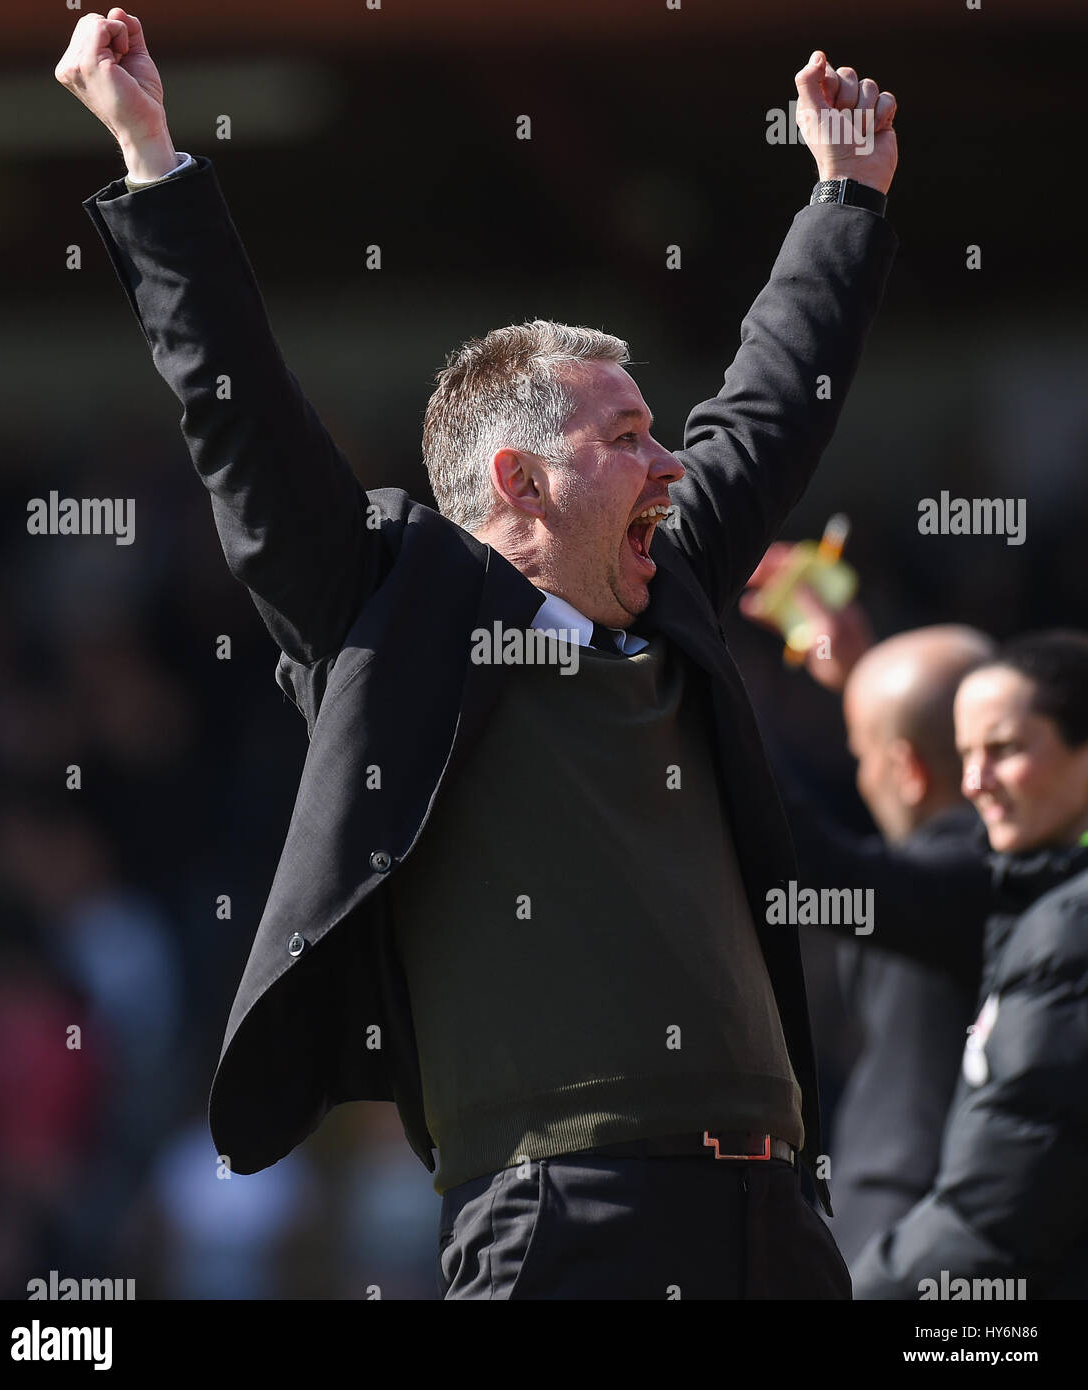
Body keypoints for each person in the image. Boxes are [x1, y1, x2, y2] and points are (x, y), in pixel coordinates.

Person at [57, 9, 899, 1298]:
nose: (669, 462)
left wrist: (842, 199)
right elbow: (242, 415)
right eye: (625, 435)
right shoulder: (386, 616)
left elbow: (770, 407)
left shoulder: (660, 588)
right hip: (562, 1214)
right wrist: (151, 155)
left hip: (778, 1215)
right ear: (517, 479)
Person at [740, 553, 998, 1263]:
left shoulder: (971, 878)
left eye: (863, 754)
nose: (861, 770)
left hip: (913, 1240)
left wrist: (708, 686)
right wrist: (866, 680)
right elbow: (930, 734)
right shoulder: (1008, 865)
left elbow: (811, 864)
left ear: (905, 770)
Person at [851, 631, 1088, 1298]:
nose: (975, 782)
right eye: (965, 756)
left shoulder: (1066, 928)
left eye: (1005, 751)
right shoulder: (1039, 905)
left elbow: (995, 1214)